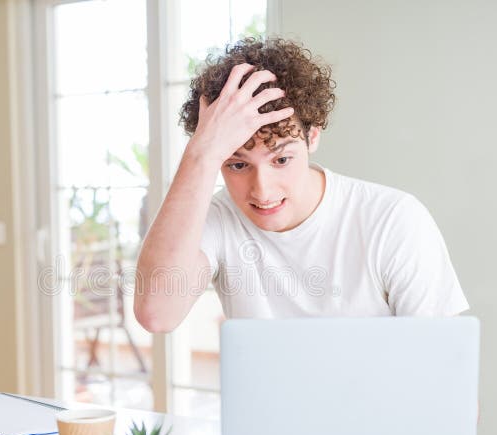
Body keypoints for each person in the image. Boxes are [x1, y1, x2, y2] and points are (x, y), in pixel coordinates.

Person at [134, 37, 468, 333]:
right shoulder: (219, 218)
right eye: (237, 165)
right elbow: (156, 315)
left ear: (312, 137)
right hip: (266, 407)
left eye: (281, 160)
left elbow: (446, 376)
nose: (262, 191)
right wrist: (200, 155)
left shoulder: (393, 219)